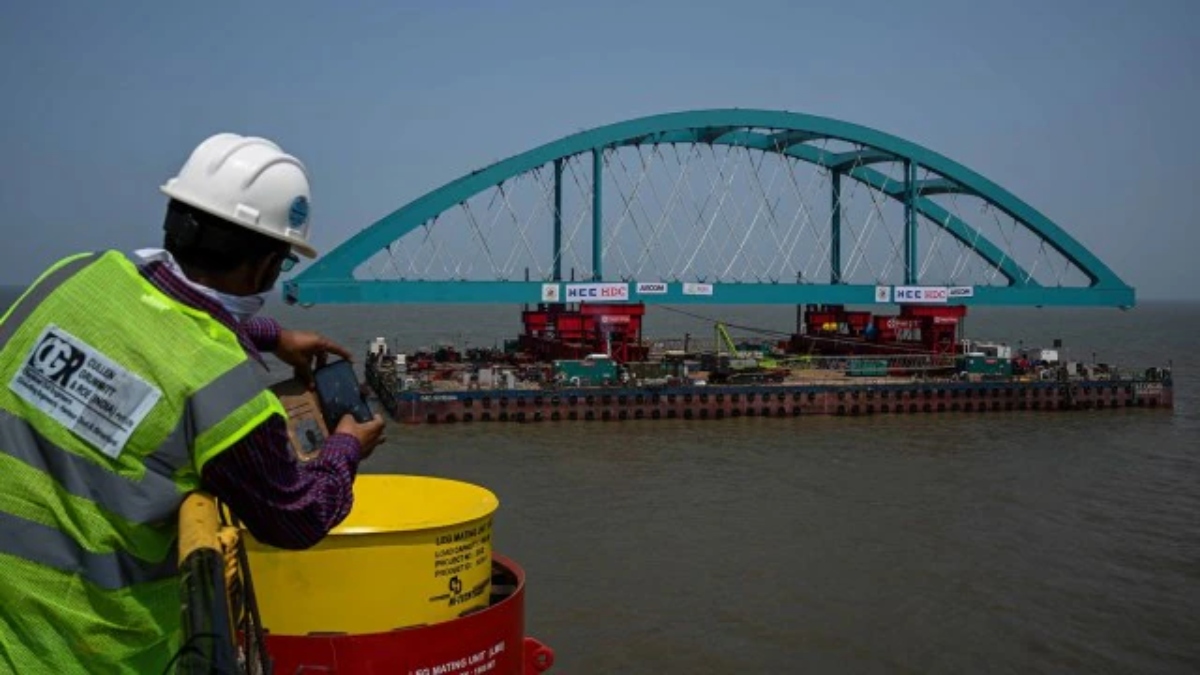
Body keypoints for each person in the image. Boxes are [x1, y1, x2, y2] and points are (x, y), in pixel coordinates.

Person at [0, 133, 386, 673]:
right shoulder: (225, 388)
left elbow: (156, 325)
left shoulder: (68, 277)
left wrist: (269, 335)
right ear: (267, 267)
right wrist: (347, 446)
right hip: (89, 653)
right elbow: (298, 518)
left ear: (175, 218)